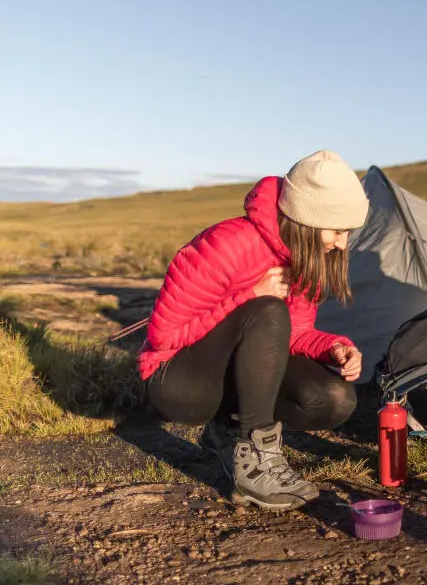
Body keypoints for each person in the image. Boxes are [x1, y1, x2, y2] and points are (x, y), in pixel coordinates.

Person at [139, 150, 369, 510]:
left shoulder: (305, 258)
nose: (342, 243)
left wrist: (333, 347)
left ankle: (225, 432)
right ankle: (253, 466)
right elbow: (163, 337)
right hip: (178, 382)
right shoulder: (227, 244)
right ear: (308, 220)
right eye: (337, 231)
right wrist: (249, 297)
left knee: (335, 399)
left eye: (347, 233)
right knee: (268, 310)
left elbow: (290, 335)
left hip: (236, 375)